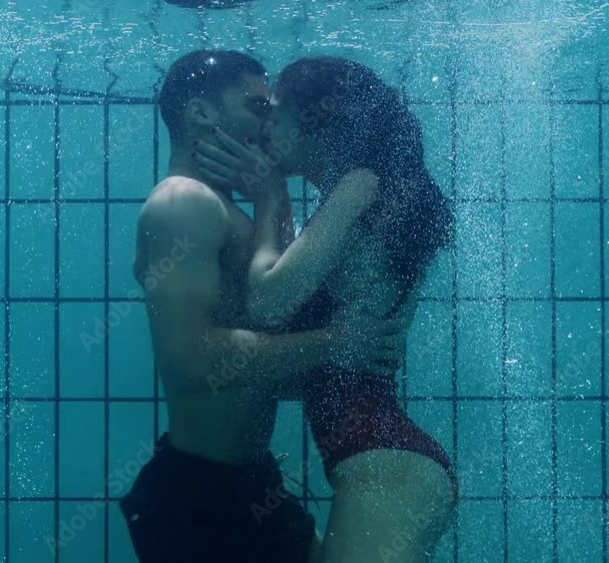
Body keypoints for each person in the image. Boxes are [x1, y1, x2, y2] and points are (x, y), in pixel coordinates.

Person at [120, 50, 410, 563]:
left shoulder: (228, 210)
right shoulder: (182, 202)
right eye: (257, 105)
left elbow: (260, 343)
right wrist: (336, 344)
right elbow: (193, 361)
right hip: (201, 501)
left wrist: (274, 198)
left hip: (245, 483)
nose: (270, 121)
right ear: (202, 113)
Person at [195, 56, 457, 563]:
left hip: (387, 469)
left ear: (315, 118)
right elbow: (319, 371)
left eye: (274, 112)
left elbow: (270, 302)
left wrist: (271, 195)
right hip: (386, 464)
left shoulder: (359, 185)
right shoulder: (368, 195)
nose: (264, 127)